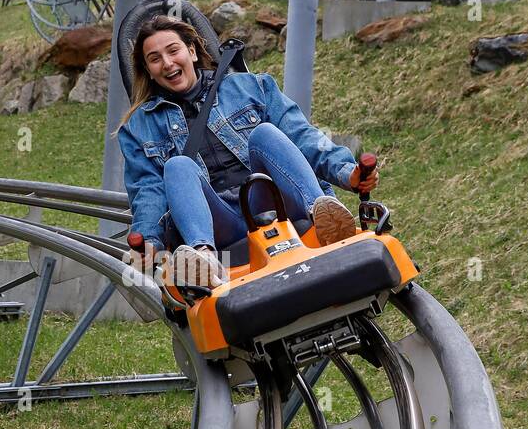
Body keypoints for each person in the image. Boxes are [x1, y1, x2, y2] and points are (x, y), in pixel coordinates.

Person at [117, 14, 379, 289]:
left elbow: (303, 135)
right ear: (148, 69)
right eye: (155, 58)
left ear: (192, 51)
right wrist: (148, 239)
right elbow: (147, 189)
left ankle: (322, 214)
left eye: (173, 50)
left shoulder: (251, 87)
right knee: (177, 165)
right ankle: (203, 258)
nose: (168, 63)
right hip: (216, 220)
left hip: (269, 202)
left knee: (265, 133)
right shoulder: (138, 128)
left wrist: (348, 172)